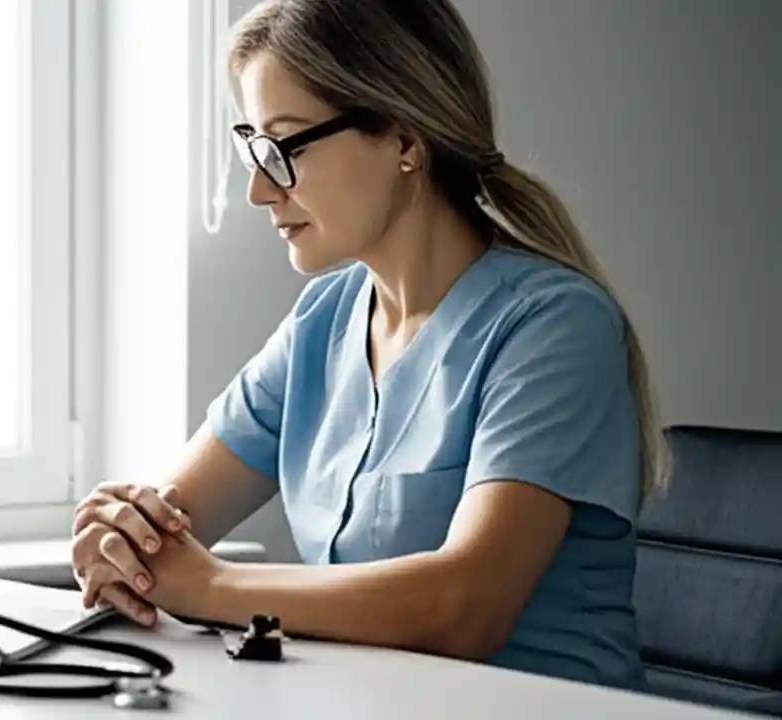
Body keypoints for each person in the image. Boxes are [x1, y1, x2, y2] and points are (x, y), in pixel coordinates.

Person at [71, 0, 665, 691]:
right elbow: (164, 532)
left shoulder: (554, 327)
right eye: (252, 148)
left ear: (405, 143)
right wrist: (118, 536)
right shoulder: (324, 318)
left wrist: (212, 585)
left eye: (285, 147)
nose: (260, 190)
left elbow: (464, 607)